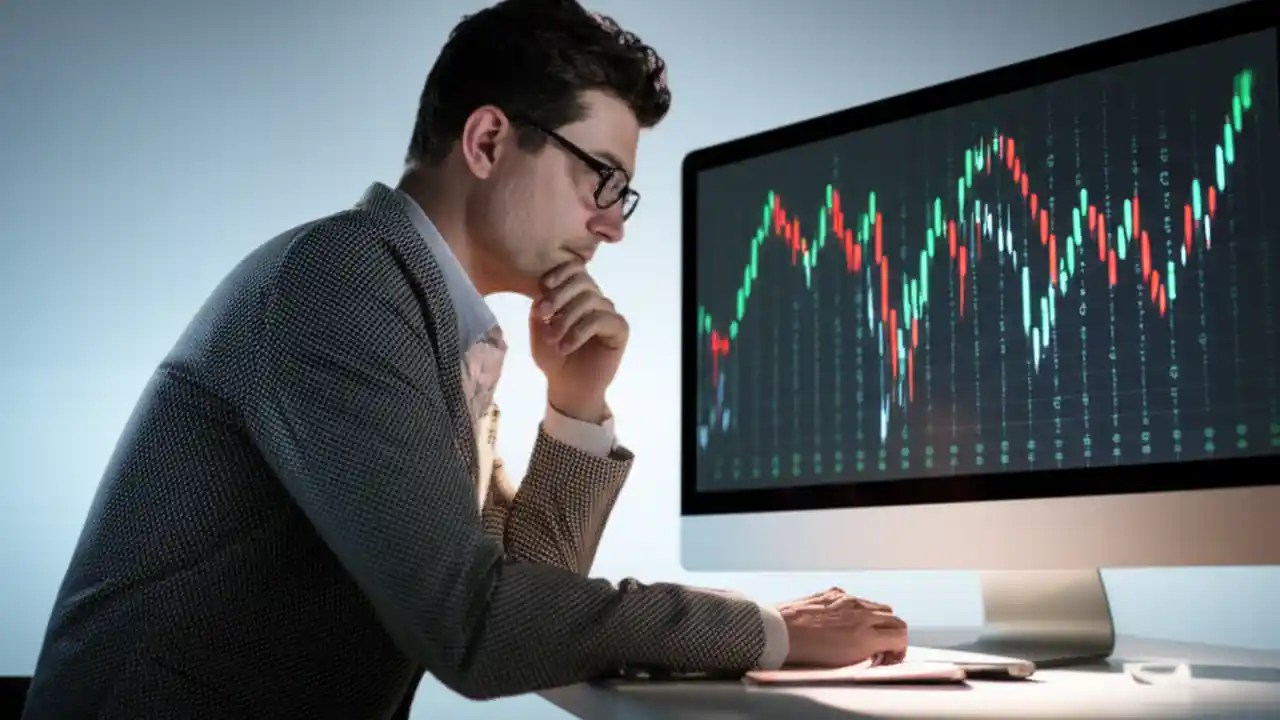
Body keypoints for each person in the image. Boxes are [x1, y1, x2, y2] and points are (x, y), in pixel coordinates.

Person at [20, 0, 908, 717]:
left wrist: (576, 405)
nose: (613, 222)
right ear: (487, 142)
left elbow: (530, 607)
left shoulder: (435, 320)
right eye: (600, 177)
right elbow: (475, 631)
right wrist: (768, 632)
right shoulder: (340, 282)